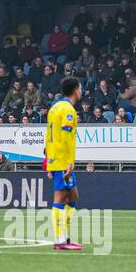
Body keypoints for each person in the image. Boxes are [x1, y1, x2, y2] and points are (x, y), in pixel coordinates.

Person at [45, 76, 82, 251]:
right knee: (60, 198)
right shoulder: (68, 110)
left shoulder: (54, 108)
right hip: (62, 160)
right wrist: (67, 162)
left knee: (73, 195)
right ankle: (61, 240)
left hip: (56, 159)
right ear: (76, 90)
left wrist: (48, 161)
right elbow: (66, 138)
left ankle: (65, 237)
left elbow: (48, 136)